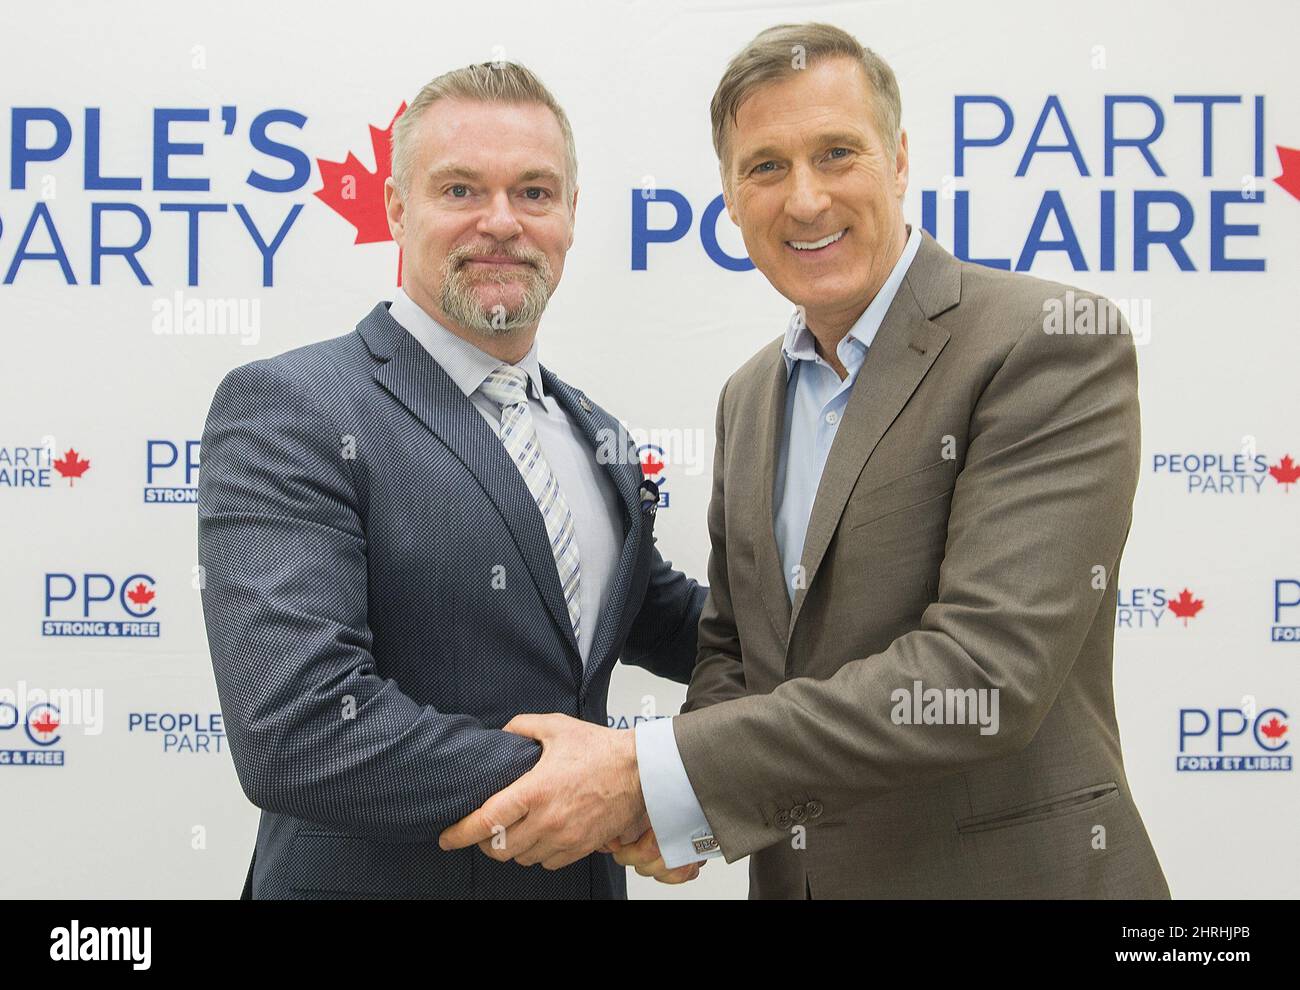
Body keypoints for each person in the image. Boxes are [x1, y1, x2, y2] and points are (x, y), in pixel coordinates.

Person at [442, 24, 1169, 900]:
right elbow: (737, 651)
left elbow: (983, 674)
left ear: (899, 162)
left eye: (837, 153)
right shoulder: (750, 399)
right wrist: (681, 812)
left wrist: (655, 774)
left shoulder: (1042, 343)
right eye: (767, 167)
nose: (807, 199)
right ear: (730, 196)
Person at [197, 61, 705, 899]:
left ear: (572, 215)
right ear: (397, 208)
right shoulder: (295, 408)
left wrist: (860, 646)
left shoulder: (599, 435)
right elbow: (297, 728)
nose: (500, 221)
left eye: (535, 192)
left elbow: (671, 620)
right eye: (462, 189)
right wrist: (616, 787)